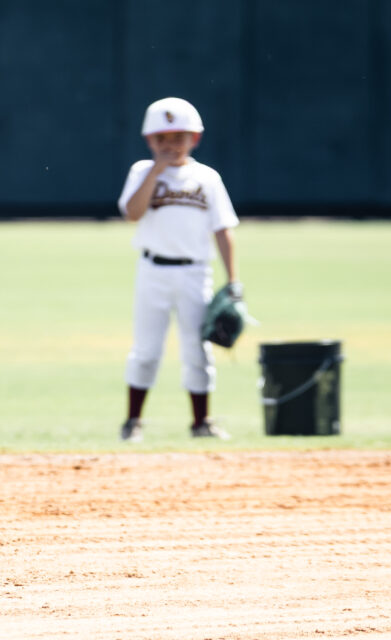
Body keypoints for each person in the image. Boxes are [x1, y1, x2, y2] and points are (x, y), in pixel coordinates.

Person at [117, 96, 240, 442]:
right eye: (162, 138)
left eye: (178, 137)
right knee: (146, 349)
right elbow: (133, 213)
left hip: (194, 273)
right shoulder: (142, 172)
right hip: (152, 271)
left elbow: (223, 230)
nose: (170, 145)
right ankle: (132, 422)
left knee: (197, 349)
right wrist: (156, 171)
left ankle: (201, 423)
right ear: (149, 141)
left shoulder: (207, 177)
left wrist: (233, 281)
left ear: (195, 139)